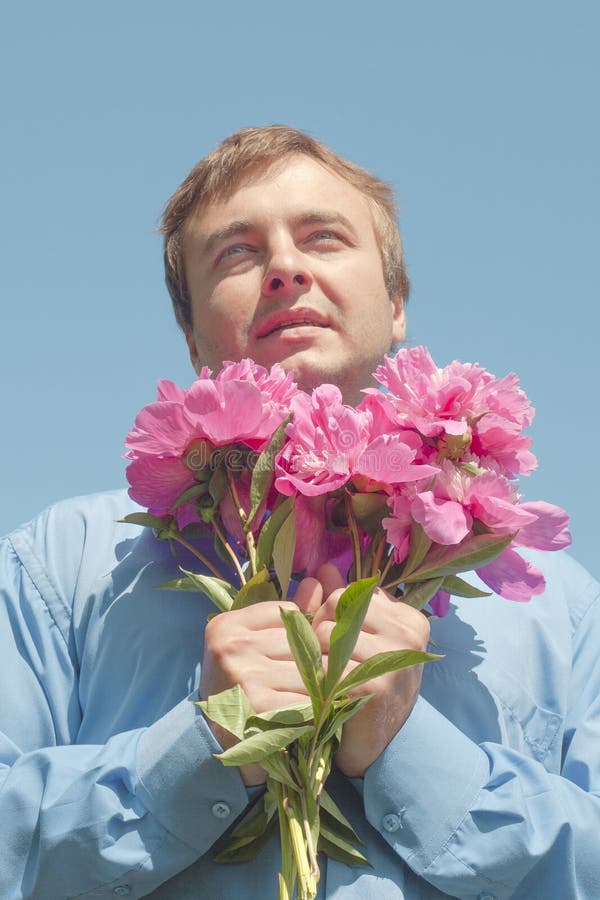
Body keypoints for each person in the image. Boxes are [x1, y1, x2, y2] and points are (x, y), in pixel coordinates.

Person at [0, 126, 598, 900]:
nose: (286, 267)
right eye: (236, 252)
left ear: (397, 303)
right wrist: (199, 750)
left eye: (324, 237)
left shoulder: (564, 607)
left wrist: (416, 758)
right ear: (191, 336)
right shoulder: (61, 566)